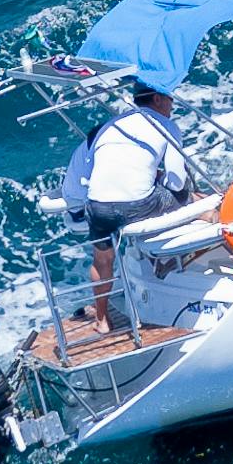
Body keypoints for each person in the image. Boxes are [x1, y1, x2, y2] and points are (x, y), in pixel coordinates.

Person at [64, 81, 194, 318]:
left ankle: (102, 319)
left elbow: (85, 175)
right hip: (137, 206)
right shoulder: (166, 125)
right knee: (184, 194)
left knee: (102, 261)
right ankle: (169, 260)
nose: (172, 105)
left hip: (98, 208)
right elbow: (176, 183)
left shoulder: (108, 127)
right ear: (157, 99)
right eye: (170, 98)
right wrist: (164, 180)